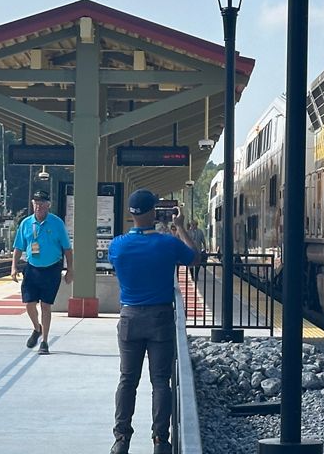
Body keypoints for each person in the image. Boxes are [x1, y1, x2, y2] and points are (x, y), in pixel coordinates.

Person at [108, 189, 200, 454]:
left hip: (130, 317)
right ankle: (161, 440)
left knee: (127, 379)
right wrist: (180, 228)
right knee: (160, 381)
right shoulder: (167, 243)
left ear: (131, 213)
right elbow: (195, 258)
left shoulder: (118, 245)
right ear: (152, 212)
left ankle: (121, 440)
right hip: (160, 317)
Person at [11, 189, 73, 355]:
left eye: (42, 204)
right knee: (29, 303)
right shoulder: (26, 223)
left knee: (46, 305)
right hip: (32, 267)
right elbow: (18, 247)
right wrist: (13, 267)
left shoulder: (57, 223)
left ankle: (44, 341)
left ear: (48, 205)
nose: (39, 207)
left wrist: (70, 270)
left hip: (52, 268)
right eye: (36, 203)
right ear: (33, 204)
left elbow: (67, 248)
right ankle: (36, 328)